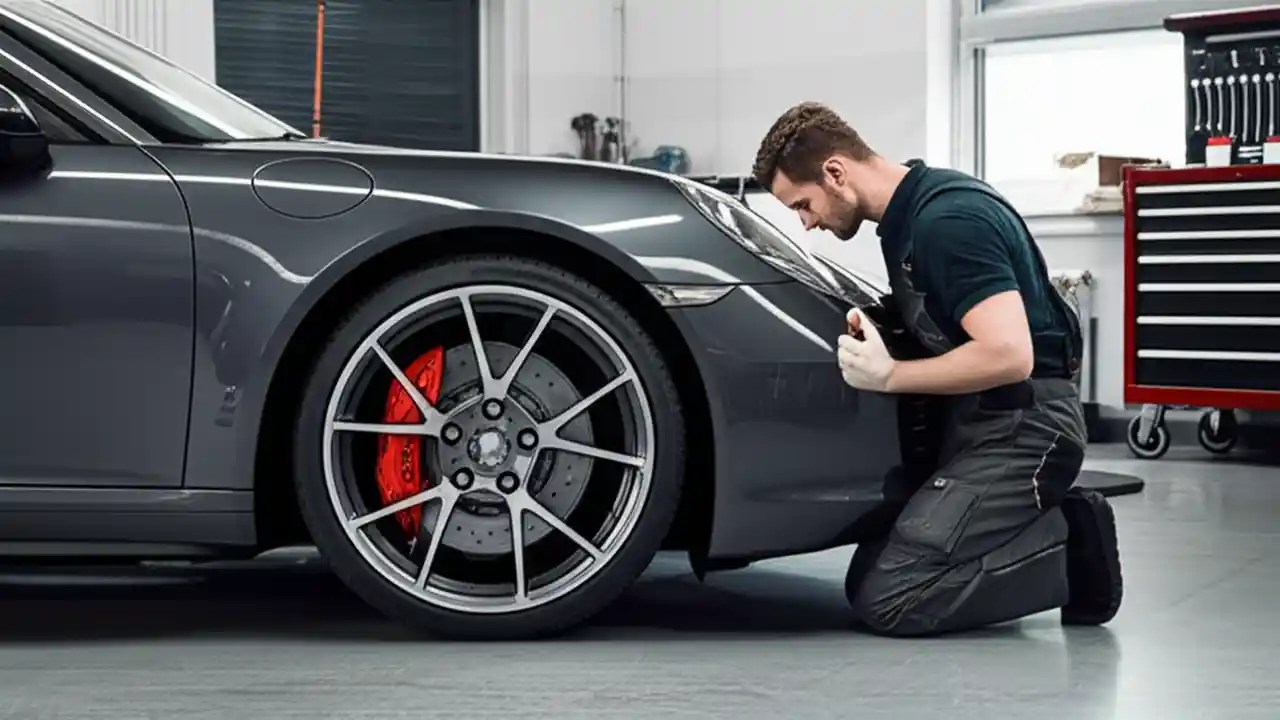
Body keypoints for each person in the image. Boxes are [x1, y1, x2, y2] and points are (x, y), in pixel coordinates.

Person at [751, 101, 1123, 636]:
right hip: (982, 421)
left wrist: (890, 377)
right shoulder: (907, 219)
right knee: (869, 573)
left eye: (801, 205)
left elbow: (1009, 354)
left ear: (835, 173)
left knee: (892, 597)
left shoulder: (947, 221)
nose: (806, 223)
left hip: (1026, 429)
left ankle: (1071, 544)